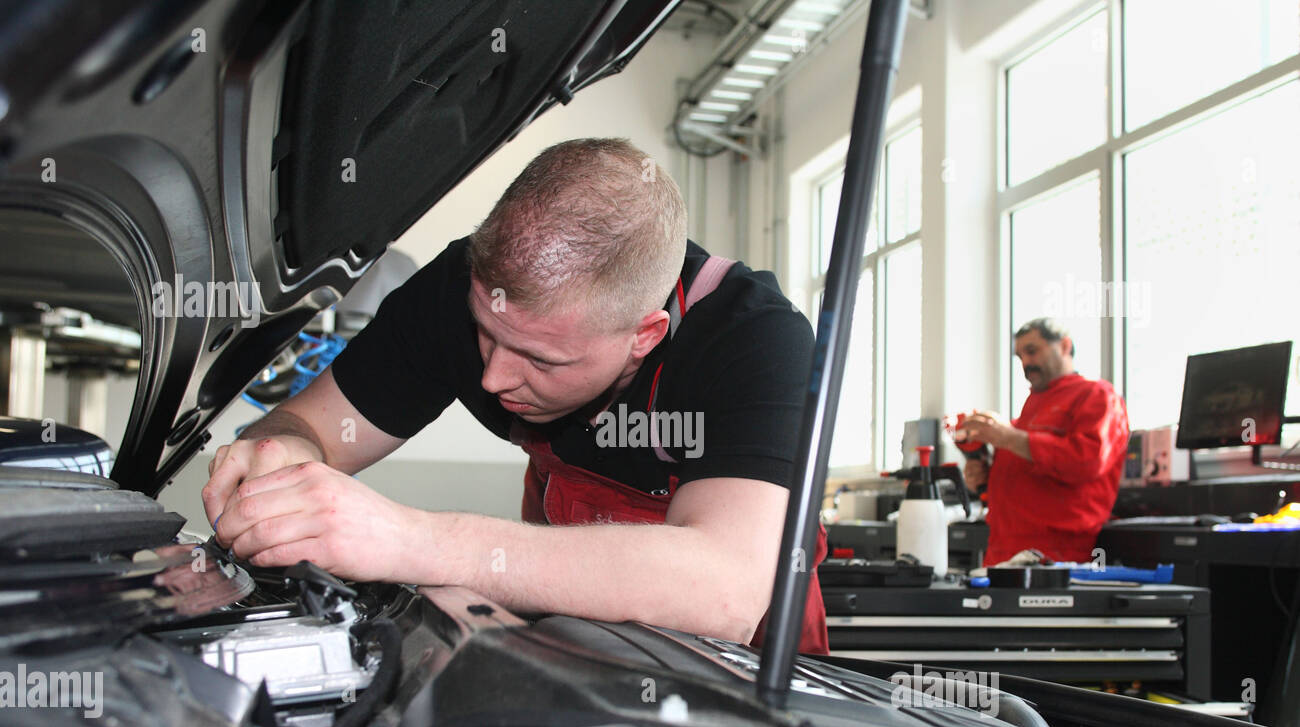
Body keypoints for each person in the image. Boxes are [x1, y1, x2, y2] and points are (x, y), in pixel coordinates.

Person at [201, 138, 828, 653]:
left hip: (752, 673)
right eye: (487, 332)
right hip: (575, 648)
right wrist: (278, 452)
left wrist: (410, 540)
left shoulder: (754, 341)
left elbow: (725, 592)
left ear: (645, 334)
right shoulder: (455, 294)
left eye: (539, 358)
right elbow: (310, 428)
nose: (495, 378)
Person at [954, 317, 1129, 567]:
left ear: (1065, 346)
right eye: (1020, 356)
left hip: (1057, 553)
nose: (1026, 362)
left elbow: (1087, 461)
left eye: (1032, 351)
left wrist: (1008, 437)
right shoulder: (1027, 415)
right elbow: (1027, 472)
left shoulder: (1098, 396)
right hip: (1003, 550)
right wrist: (983, 477)